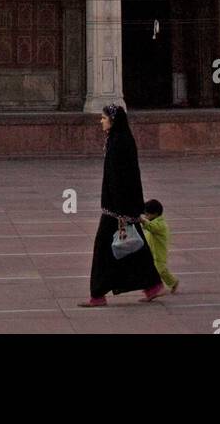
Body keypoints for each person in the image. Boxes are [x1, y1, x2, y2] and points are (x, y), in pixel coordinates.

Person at [78, 104, 165, 307]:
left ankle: (97, 295)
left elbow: (121, 178)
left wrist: (120, 211)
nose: (101, 120)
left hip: (117, 209)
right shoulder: (118, 140)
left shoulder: (119, 143)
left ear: (113, 120)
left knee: (103, 249)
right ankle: (152, 284)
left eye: (103, 117)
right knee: (134, 246)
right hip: (121, 207)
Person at [140, 199, 179, 294]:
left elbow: (152, 227)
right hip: (152, 252)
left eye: (148, 215)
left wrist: (142, 221)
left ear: (156, 213)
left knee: (157, 272)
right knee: (162, 271)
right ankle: (173, 282)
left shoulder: (160, 224)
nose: (146, 216)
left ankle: (154, 289)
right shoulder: (153, 222)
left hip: (159, 254)